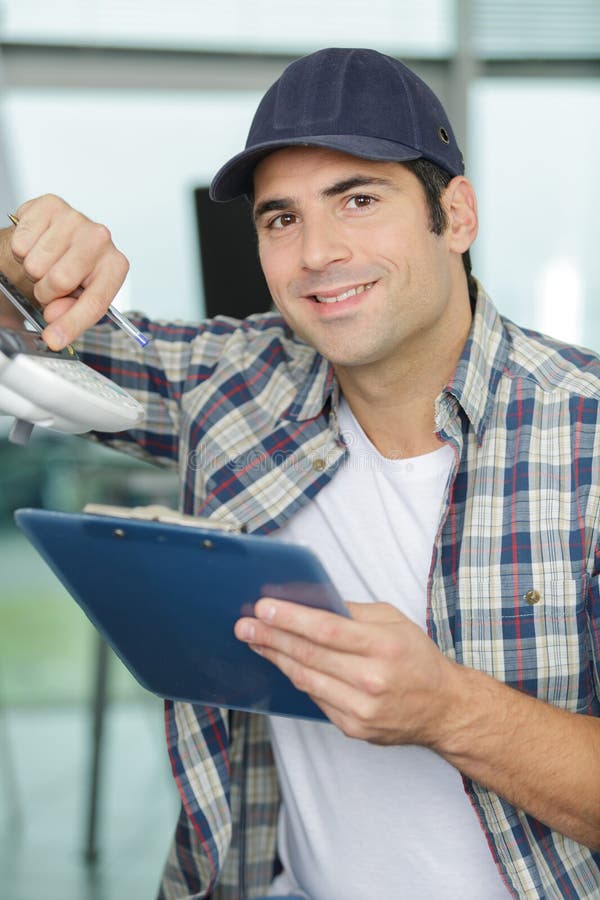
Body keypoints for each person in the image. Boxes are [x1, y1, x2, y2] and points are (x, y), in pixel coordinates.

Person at [0, 47, 599, 900]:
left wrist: (448, 710)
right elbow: (25, 339)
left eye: (358, 199)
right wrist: (18, 259)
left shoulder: (586, 433)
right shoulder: (232, 384)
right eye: (281, 219)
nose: (317, 253)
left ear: (457, 215)